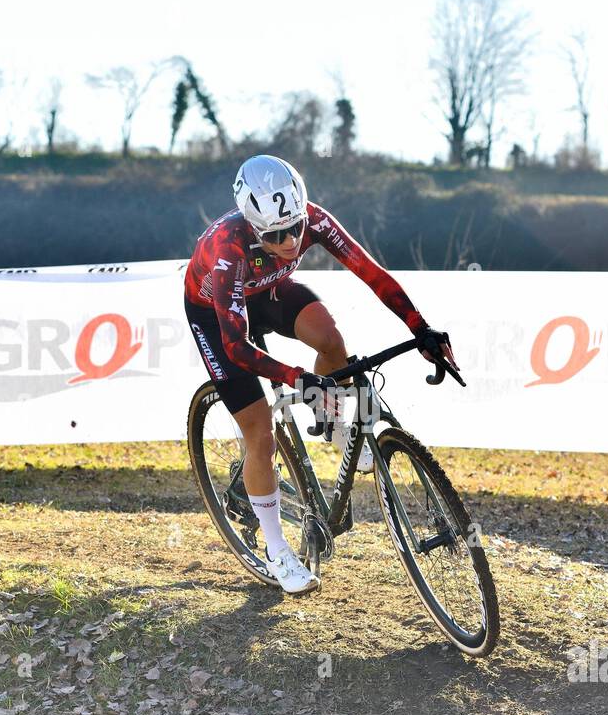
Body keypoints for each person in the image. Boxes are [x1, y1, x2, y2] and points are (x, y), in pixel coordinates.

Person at [184, 154, 457, 594]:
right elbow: (236, 347)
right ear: (253, 227)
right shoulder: (227, 248)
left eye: (294, 227)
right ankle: (276, 549)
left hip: (268, 291)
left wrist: (421, 330)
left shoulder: (312, 220)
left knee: (332, 342)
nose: (291, 240)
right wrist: (297, 378)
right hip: (216, 317)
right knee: (260, 433)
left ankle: (330, 426)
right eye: (276, 235)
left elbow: (372, 274)